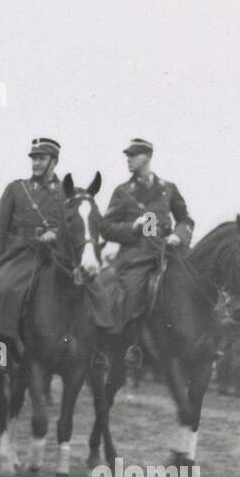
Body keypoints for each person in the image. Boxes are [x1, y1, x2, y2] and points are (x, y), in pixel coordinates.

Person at [0, 138, 82, 350]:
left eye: (41, 158)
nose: (35, 163)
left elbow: (76, 226)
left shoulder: (67, 191)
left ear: (54, 161)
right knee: (7, 291)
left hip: (58, 256)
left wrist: (55, 233)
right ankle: (2, 355)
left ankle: (95, 354)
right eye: (33, 158)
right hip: (23, 255)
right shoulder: (16, 189)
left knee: (93, 291)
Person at [98, 138, 194, 357]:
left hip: (168, 252)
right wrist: (133, 226)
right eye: (128, 156)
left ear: (147, 157)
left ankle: (201, 341)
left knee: (195, 283)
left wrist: (179, 236)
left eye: (133, 155)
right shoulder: (123, 191)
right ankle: (130, 346)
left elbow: (185, 220)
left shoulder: (168, 189)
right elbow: (105, 227)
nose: (128, 160)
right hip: (136, 257)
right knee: (132, 292)